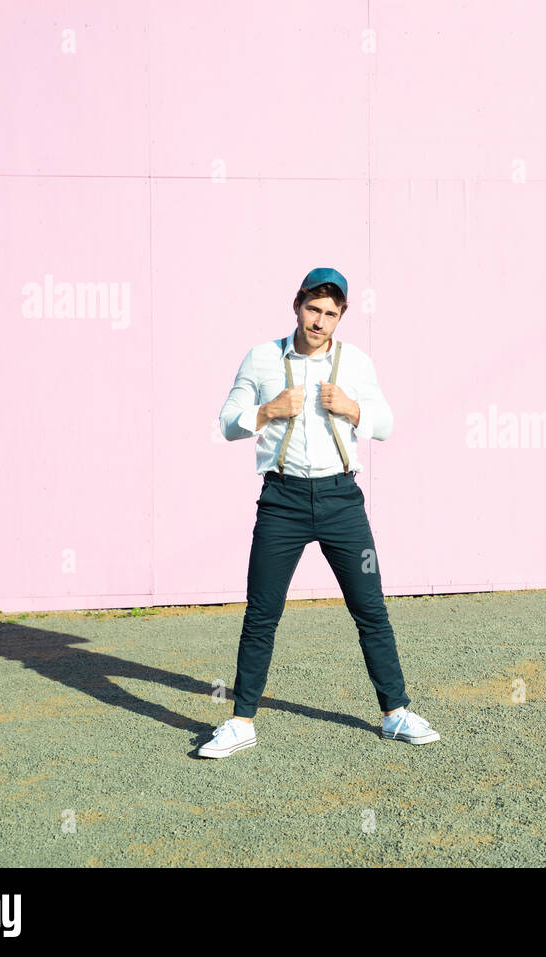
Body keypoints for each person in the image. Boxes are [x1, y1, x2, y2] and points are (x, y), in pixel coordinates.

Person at [198, 266, 439, 757]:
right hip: (281, 500)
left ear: (341, 316)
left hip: (341, 500)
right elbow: (226, 424)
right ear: (298, 306)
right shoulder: (262, 358)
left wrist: (352, 408)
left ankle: (395, 712)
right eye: (313, 309)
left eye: (331, 313)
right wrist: (267, 412)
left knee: (370, 608)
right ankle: (242, 721)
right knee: (262, 614)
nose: (320, 321)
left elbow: (387, 425)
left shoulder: (357, 364)